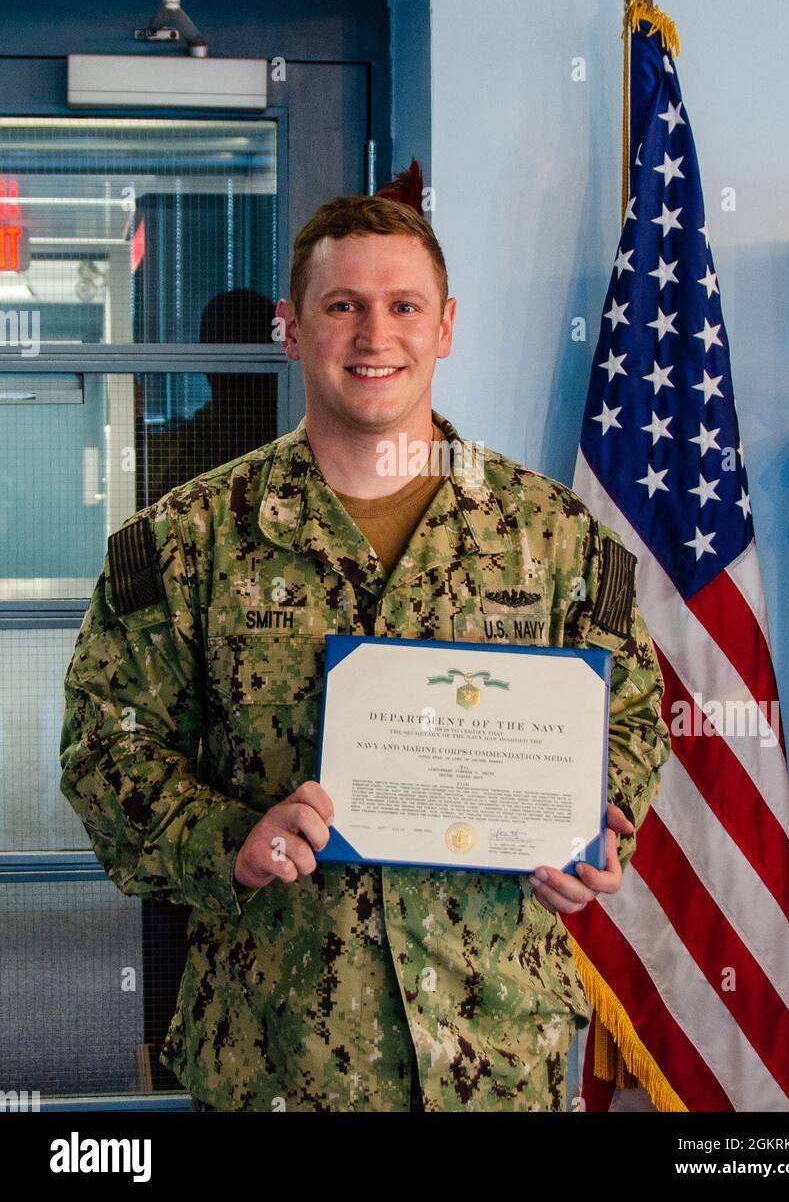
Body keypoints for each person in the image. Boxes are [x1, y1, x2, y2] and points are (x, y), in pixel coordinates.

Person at [60, 191, 671, 1113]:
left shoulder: (554, 538)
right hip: (277, 1058)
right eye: (342, 305)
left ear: (446, 327)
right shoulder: (188, 542)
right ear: (292, 329)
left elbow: (629, 714)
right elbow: (107, 751)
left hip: (498, 1058)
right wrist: (232, 841)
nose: (374, 333)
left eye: (404, 306)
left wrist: (590, 825)